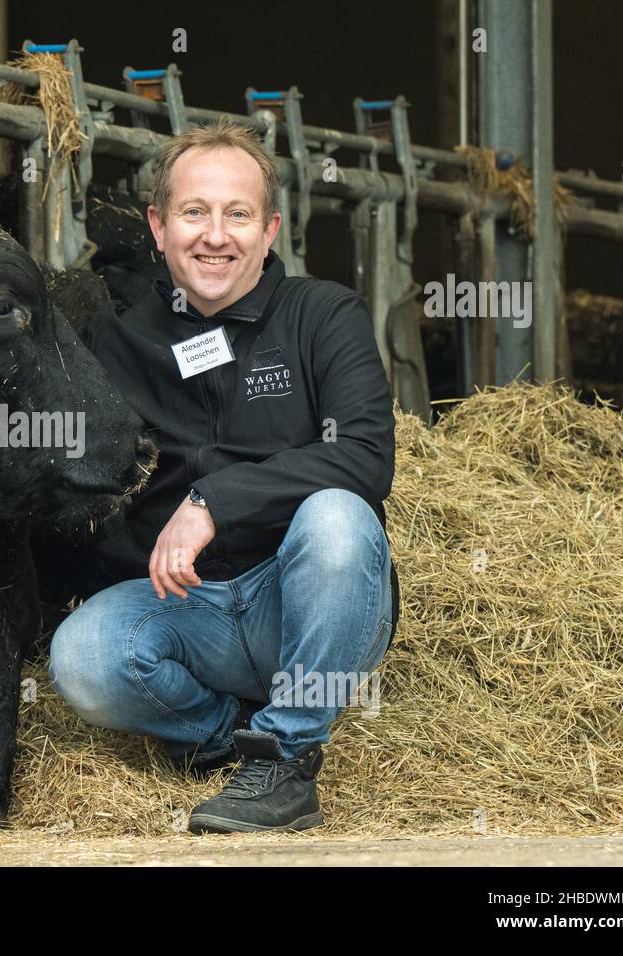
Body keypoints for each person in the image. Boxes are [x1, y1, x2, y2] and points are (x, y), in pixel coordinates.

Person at [48, 118, 401, 834]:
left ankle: (284, 759)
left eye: (237, 214)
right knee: (82, 656)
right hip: (188, 609)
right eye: (194, 213)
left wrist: (213, 502)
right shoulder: (115, 344)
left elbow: (366, 455)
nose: (216, 235)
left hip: (297, 601)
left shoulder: (321, 315)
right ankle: (222, 734)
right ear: (158, 226)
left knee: (338, 518)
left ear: (270, 230)